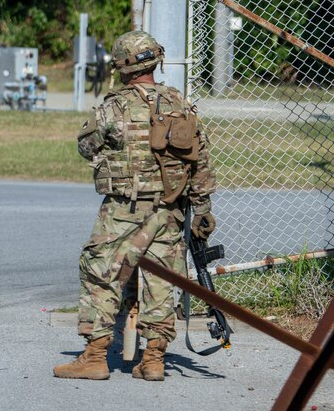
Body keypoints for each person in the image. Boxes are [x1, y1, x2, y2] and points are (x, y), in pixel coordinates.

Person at [54, 30, 216, 382]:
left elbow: (86, 146)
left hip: (124, 210)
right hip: (170, 211)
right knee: (161, 279)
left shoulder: (114, 106)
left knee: (100, 271)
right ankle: (154, 359)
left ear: (122, 67)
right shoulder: (180, 104)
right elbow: (201, 160)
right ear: (155, 62)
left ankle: (95, 357)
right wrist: (202, 209)